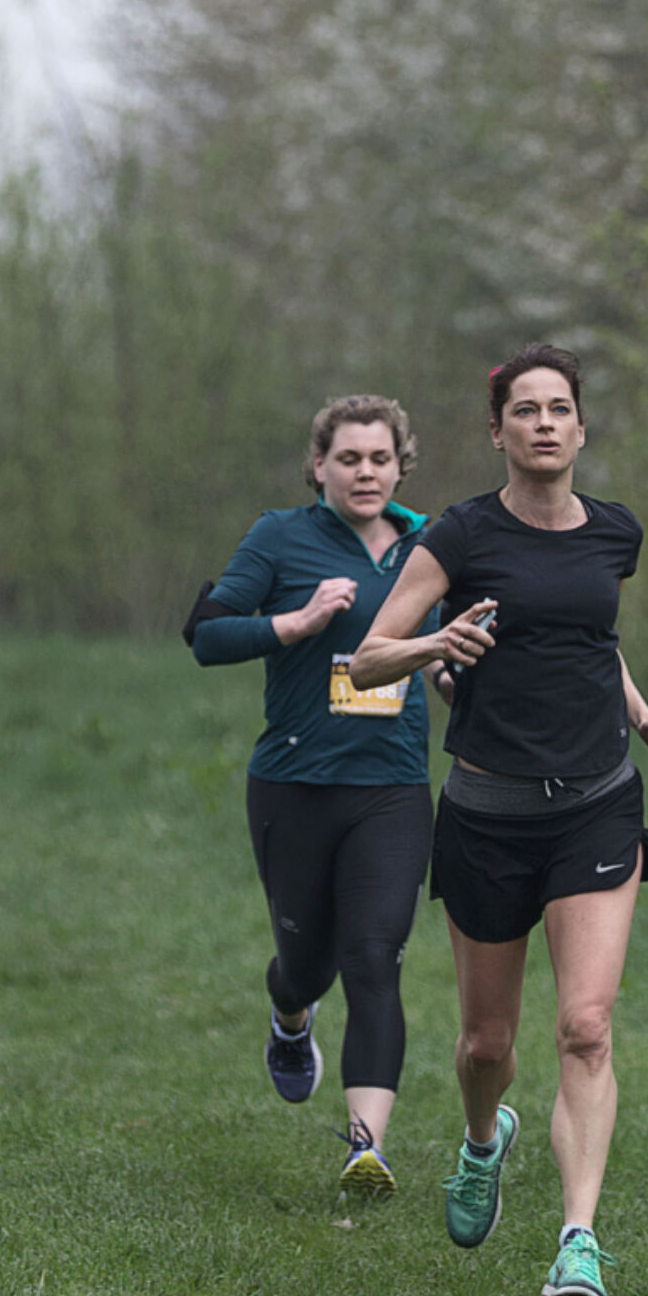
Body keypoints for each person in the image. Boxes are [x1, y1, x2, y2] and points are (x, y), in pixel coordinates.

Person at [345, 342, 648, 1296]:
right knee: (486, 1041)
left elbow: (591, 645)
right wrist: (435, 641)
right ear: (497, 432)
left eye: (559, 408)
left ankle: (579, 1243)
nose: (544, 422)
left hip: (596, 804)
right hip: (488, 815)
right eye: (524, 410)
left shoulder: (614, 535)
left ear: (581, 428)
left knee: (585, 1026)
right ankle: (482, 1142)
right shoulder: (458, 537)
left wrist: (645, 715)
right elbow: (368, 662)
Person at [186, 395, 437, 1197]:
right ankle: (290, 1018)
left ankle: (367, 1147)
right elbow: (207, 635)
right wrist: (293, 624)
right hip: (293, 787)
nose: (366, 472)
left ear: (401, 464)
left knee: (374, 957)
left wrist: (453, 665)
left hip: (392, 788)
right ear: (318, 466)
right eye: (349, 459)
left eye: (380, 459)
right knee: (307, 964)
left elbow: (458, 638)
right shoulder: (280, 537)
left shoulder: (431, 545)